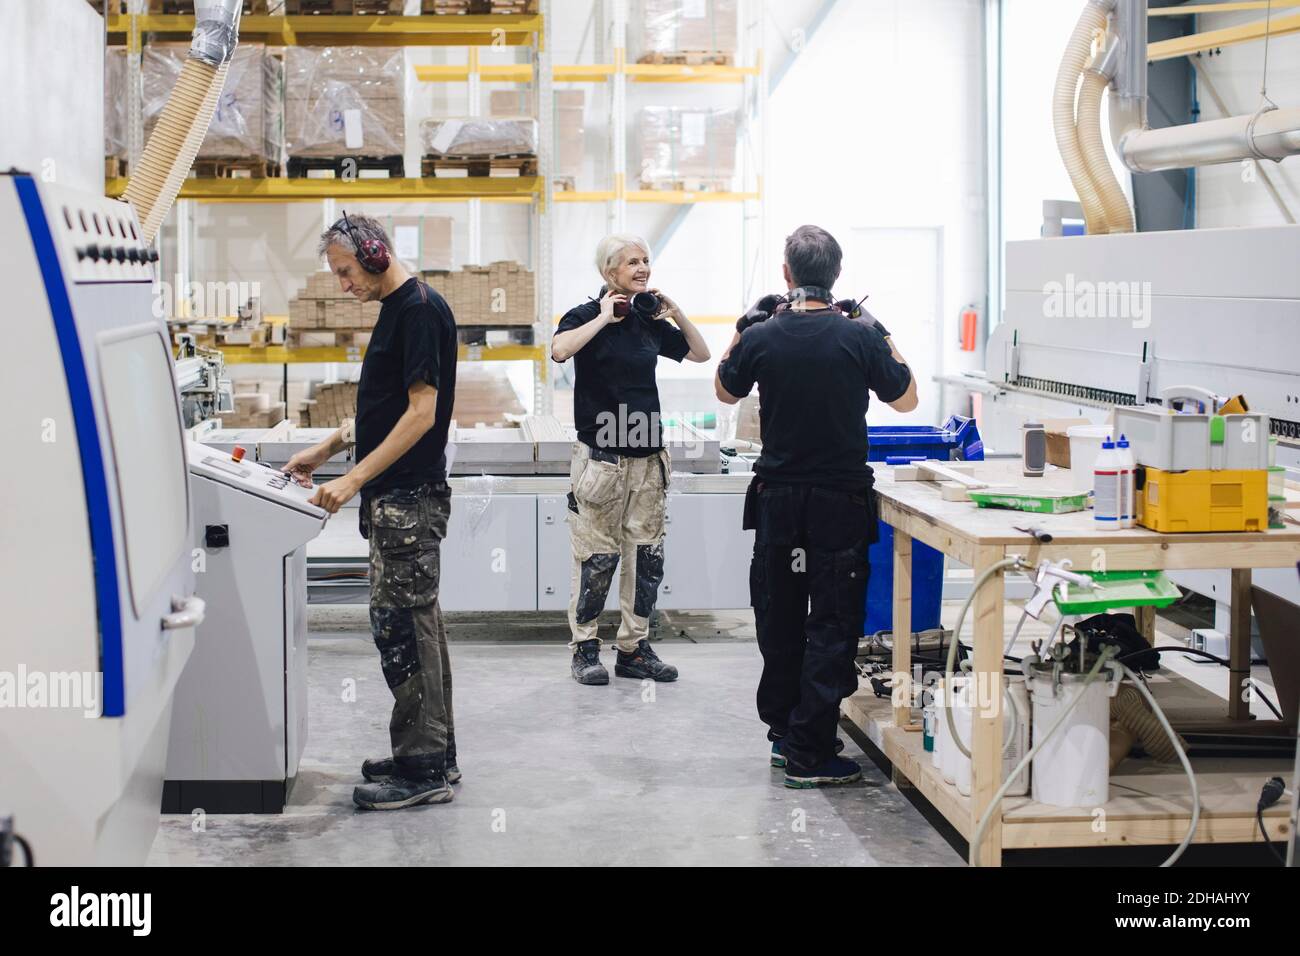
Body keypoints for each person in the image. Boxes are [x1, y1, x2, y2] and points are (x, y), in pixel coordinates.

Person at [714, 225, 918, 788]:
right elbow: (906, 398)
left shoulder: (763, 336)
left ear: (786, 274)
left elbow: (725, 391)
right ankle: (808, 750)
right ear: (837, 276)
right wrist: (879, 329)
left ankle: (787, 734)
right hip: (837, 503)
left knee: (779, 617)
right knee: (830, 623)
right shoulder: (859, 338)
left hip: (780, 502)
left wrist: (743, 328)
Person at [284, 212, 460, 811]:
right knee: (422, 627)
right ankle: (433, 753)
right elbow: (383, 409)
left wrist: (352, 479)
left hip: (407, 500)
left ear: (375, 252)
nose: (342, 285)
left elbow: (420, 413)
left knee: (401, 628)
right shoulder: (400, 307)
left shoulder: (417, 310)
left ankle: (421, 770)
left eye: (345, 271)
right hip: (399, 499)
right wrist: (327, 448)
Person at [551, 235, 711, 685]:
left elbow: (701, 353)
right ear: (609, 272)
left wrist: (674, 312)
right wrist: (604, 317)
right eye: (633, 262)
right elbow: (560, 350)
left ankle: (633, 648)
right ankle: (585, 649)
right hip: (601, 461)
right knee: (596, 557)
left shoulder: (647, 320)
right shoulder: (584, 316)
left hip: (647, 460)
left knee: (645, 557)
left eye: (646, 261)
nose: (643, 268)